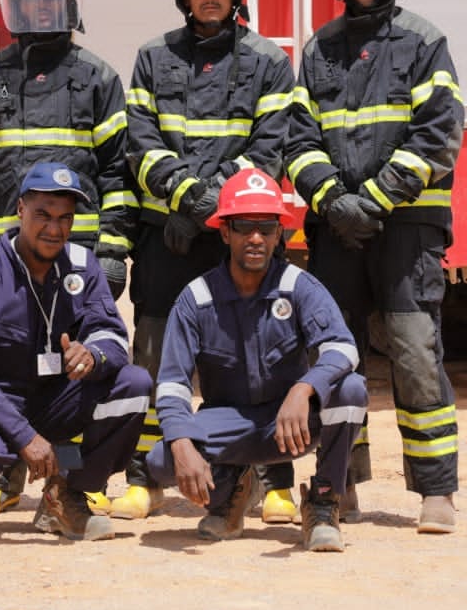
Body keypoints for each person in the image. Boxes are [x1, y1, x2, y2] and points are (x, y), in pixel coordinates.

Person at [285, 0, 465, 533]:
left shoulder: (423, 43)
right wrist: (334, 200)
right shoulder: (319, 50)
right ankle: (340, 482)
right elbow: (298, 138)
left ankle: (436, 492)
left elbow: (438, 135)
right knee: (336, 354)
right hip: (337, 229)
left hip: (408, 227)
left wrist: (377, 200)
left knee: (415, 350)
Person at [0, 0, 137, 515]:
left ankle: (67, 483)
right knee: (6, 374)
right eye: (31, 0)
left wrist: (111, 253)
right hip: (3, 272)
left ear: (70, 2)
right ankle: (2, 468)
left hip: (74, 267)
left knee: (81, 370)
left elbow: (119, 176)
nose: (42, 10)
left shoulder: (97, 79)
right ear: (12, 5)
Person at [116, 0, 297, 522]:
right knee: (151, 352)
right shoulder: (152, 58)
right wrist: (186, 198)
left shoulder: (270, 63)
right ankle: (143, 478)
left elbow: (268, 152)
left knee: (257, 354)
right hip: (165, 237)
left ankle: (274, 481)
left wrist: (206, 207)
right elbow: (140, 143)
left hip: (239, 236)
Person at [0, 162, 151, 540]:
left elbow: (112, 335)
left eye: (65, 218)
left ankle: (67, 493)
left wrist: (93, 355)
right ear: (20, 210)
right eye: (43, 215)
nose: (54, 228)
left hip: (48, 400)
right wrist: (24, 437)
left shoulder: (82, 266)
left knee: (133, 384)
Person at [145, 169, 368, 552]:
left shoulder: (297, 286)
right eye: (244, 226)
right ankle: (232, 490)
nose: (255, 238)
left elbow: (343, 348)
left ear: (279, 234)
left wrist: (304, 388)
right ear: (224, 232)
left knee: (351, 389)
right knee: (161, 461)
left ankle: (323, 501)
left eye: (266, 228)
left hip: (291, 423)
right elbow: (172, 385)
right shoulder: (196, 298)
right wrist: (181, 443)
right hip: (228, 423)